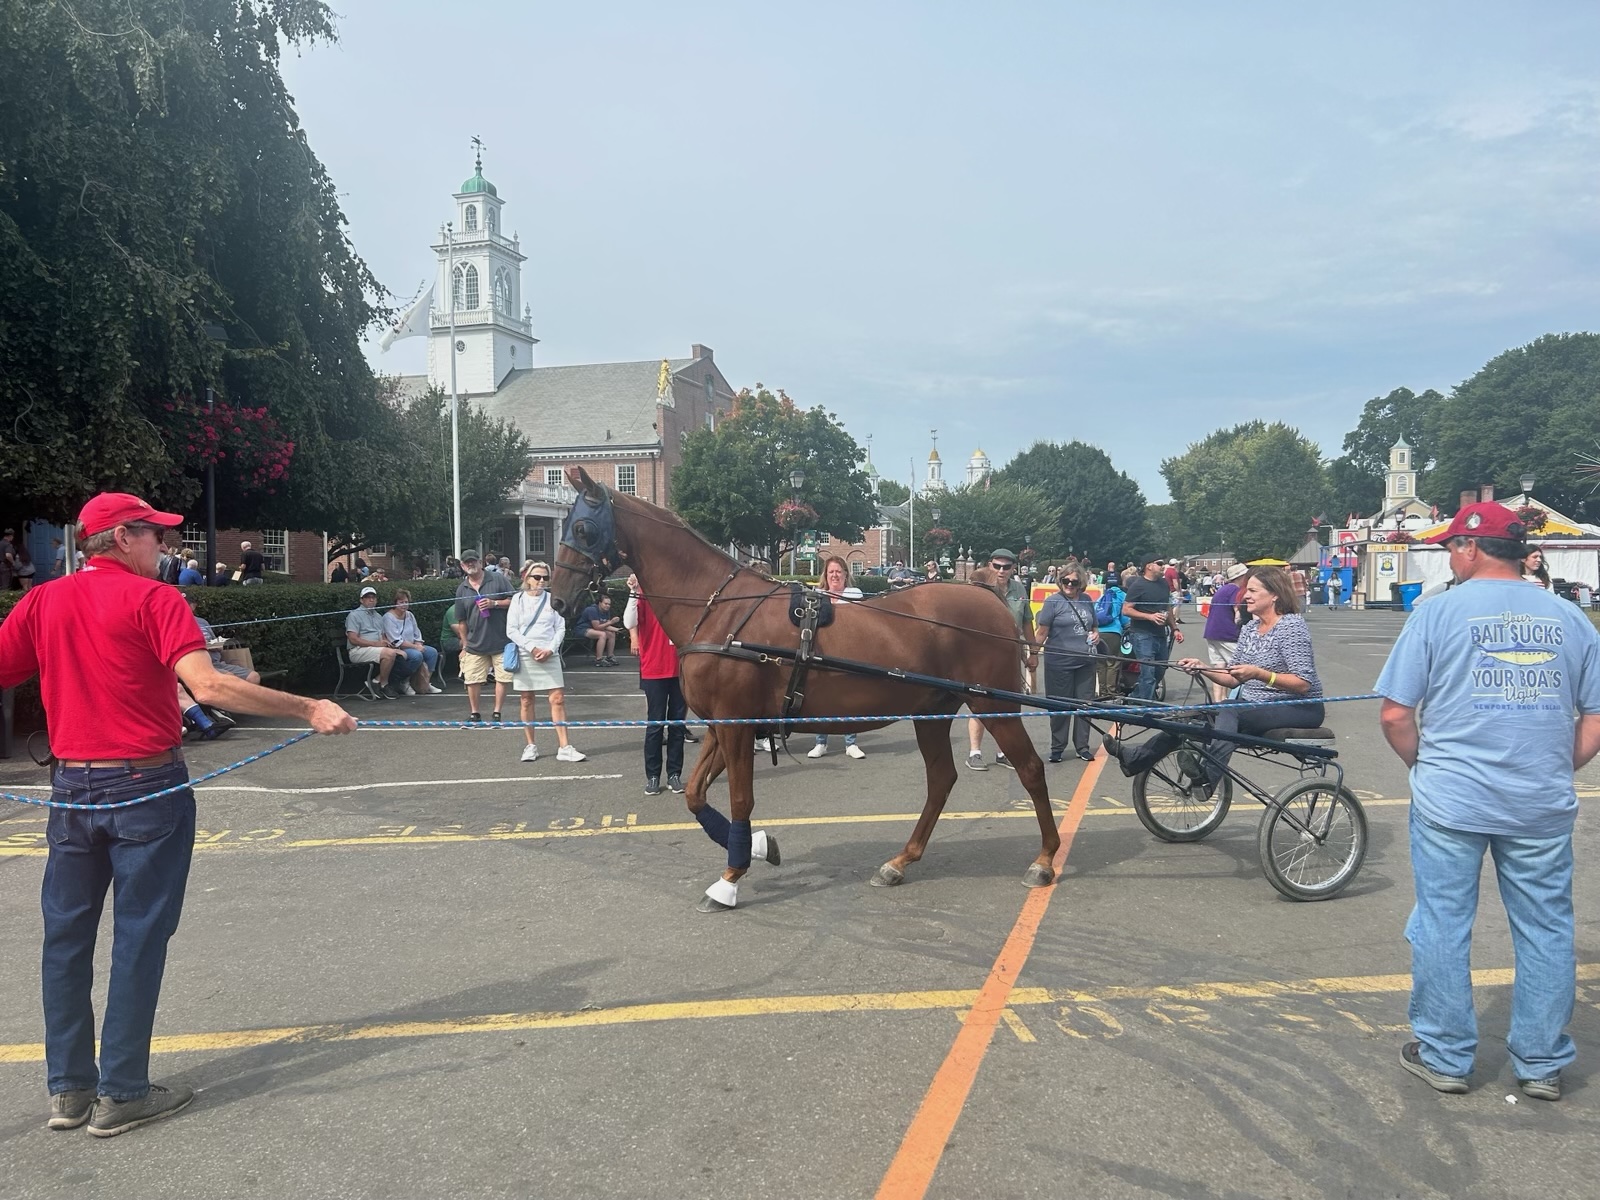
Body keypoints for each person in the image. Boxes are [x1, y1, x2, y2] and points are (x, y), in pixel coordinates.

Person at [0, 491, 355, 1137]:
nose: (165, 546)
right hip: (146, 784)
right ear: (122, 538)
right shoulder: (156, 600)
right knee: (138, 936)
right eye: (155, 535)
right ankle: (122, 1091)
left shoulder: (42, 600)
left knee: (66, 939)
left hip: (72, 785)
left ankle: (70, 1089)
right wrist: (308, 707)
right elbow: (210, 686)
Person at [1376, 503, 1600, 1102]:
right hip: (1539, 802)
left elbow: (1395, 715)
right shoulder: (1571, 617)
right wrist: (1557, 766)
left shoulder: (1436, 613)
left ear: (1471, 549)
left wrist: (1424, 766)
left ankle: (1446, 1055)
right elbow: (1595, 717)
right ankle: (1541, 1061)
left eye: (1453, 548)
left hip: (1453, 798)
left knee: (1443, 923)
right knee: (1546, 927)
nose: (1451, 558)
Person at [1105, 567, 1322, 790]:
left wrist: (1260, 674)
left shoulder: (1291, 627)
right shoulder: (1250, 629)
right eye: (1246, 590)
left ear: (1274, 594)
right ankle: (1137, 758)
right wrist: (1203, 668)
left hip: (1298, 708)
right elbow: (1232, 678)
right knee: (1187, 716)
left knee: (1229, 709)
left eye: (1253, 591)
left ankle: (1208, 776)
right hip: (1254, 707)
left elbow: (1303, 683)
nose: (1245, 596)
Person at [507, 561, 585, 763]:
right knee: (526, 699)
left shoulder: (553, 600)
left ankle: (564, 747)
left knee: (558, 699)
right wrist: (532, 648)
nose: (541, 581)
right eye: (537, 577)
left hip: (550, 654)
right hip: (526, 654)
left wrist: (550, 649)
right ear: (527, 578)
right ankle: (530, 745)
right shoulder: (517, 599)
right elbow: (511, 630)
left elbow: (560, 628)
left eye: (545, 577)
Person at [967, 548, 1036, 770]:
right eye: (997, 566)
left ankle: (1003, 752)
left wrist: (1033, 652)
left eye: (1006, 567)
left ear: (1013, 568)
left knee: (1009, 704)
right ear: (990, 565)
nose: (1001, 571)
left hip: (1011, 654)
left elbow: (1027, 621)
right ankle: (975, 752)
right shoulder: (979, 589)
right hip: (982, 655)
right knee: (979, 704)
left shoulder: (1019, 589)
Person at [625, 572, 690, 791]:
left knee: (677, 726)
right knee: (655, 725)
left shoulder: (680, 596)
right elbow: (629, 621)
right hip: (654, 669)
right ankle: (653, 776)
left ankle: (674, 774)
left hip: (679, 669)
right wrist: (633, 592)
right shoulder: (644, 594)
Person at [1035, 569, 1099, 762]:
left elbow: (1094, 626)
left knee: (1085, 706)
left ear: (1081, 584)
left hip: (1086, 661)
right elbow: (1042, 632)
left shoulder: (1086, 600)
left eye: (1074, 582)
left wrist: (1096, 635)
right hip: (1059, 663)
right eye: (1066, 581)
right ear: (1060, 581)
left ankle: (1082, 747)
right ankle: (1057, 747)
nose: (1069, 585)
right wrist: (1032, 655)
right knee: (1059, 708)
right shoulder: (1052, 602)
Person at [808, 556, 866, 760]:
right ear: (825, 575)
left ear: (845, 574)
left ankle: (851, 743)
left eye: (838, 571)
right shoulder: (817, 595)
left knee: (848, 698)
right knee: (821, 699)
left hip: (848, 652)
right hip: (821, 652)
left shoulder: (854, 594)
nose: (834, 575)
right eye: (831, 572)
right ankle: (820, 743)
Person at [453, 548, 515, 723]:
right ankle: (475, 713)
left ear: (480, 562)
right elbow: (461, 620)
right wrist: (464, 645)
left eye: (473, 561)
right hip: (475, 643)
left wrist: (494, 603)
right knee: (472, 679)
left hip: (500, 640)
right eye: (467, 563)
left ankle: (497, 713)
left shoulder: (498, 579)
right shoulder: (462, 589)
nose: (471, 564)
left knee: (502, 678)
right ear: (462, 566)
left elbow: (515, 601)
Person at [1122, 553, 1183, 701]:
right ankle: (1146, 705)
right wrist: (1150, 616)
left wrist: (1174, 628)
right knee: (1148, 672)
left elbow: (1167, 607)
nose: (1163, 566)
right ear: (1149, 566)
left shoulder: (1163, 584)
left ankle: (1135, 696)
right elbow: (1126, 610)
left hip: (1160, 633)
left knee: (1160, 669)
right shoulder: (1138, 585)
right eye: (1160, 563)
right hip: (1141, 634)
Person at [345, 585, 411, 699]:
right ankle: (384, 685)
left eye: (373, 597)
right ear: (361, 600)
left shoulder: (378, 616)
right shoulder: (354, 615)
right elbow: (353, 639)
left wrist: (387, 644)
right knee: (389, 654)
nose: (371, 600)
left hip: (376, 649)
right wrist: (377, 644)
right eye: (367, 597)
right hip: (357, 651)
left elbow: (382, 637)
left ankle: (376, 681)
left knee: (402, 654)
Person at [1201, 562, 1249, 702]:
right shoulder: (1236, 590)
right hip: (1227, 633)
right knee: (1239, 665)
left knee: (1219, 667)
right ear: (1241, 577)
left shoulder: (1223, 589)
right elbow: (1237, 613)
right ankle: (1234, 698)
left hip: (1212, 632)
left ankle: (1219, 700)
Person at [383, 589, 443, 696]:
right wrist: (415, 647)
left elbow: (416, 632)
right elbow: (396, 640)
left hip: (413, 645)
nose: (404, 605)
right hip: (399, 648)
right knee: (416, 655)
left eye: (406, 602)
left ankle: (425, 683)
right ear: (395, 603)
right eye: (401, 602)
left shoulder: (410, 615)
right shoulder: (388, 617)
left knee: (432, 652)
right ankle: (404, 682)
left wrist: (419, 643)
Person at [1093, 566, 1128, 700]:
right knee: (1113, 662)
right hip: (1113, 632)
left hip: (1099, 632)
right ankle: (1111, 692)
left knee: (1101, 664)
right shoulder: (1122, 596)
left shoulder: (1101, 597)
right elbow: (1125, 618)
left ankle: (1102, 692)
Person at [579, 593, 622, 666]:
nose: (608, 606)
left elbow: (606, 625)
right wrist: (611, 622)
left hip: (593, 629)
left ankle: (610, 657)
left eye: (609, 604)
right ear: (600, 603)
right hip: (583, 629)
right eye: (606, 604)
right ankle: (598, 659)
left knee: (611, 633)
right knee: (602, 634)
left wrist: (618, 629)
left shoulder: (606, 611)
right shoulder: (592, 610)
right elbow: (597, 627)